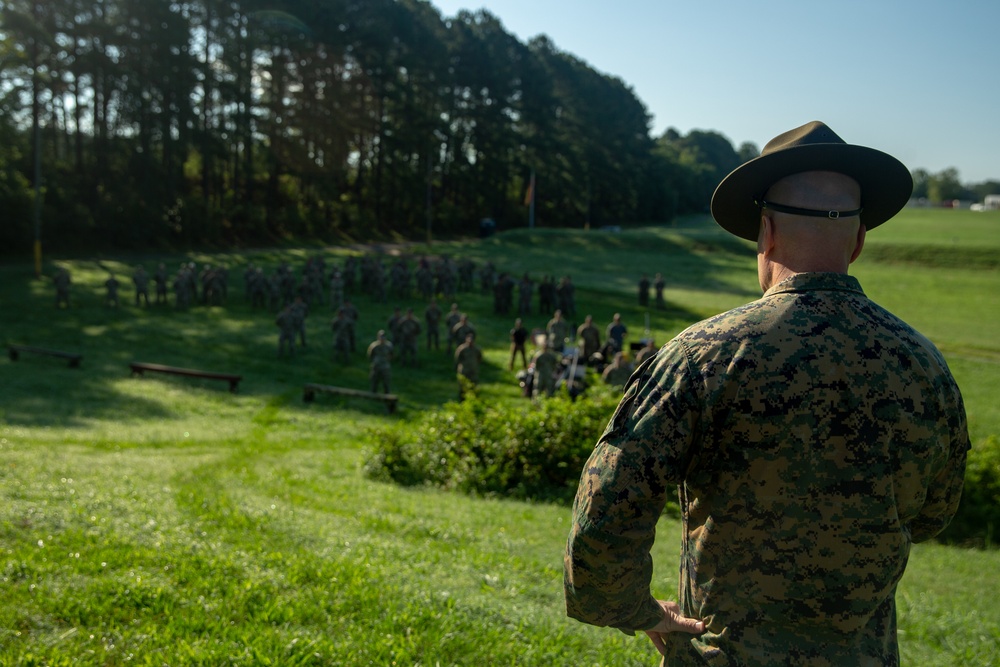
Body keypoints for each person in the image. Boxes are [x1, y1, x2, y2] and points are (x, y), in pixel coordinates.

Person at [564, 121, 970, 665]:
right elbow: (932, 514)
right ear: (858, 240)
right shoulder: (924, 365)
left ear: (766, 233)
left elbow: (607, 502)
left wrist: (633, 608)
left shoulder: (701, 355)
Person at [454, 333, 482, 400]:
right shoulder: (462, 348)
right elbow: (457, 358)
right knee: (463, 386)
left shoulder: (477, 349)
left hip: (473, 370)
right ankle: (462, 399)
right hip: (464, 370)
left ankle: (473, 399)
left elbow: (480, 358)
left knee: (473, 385)